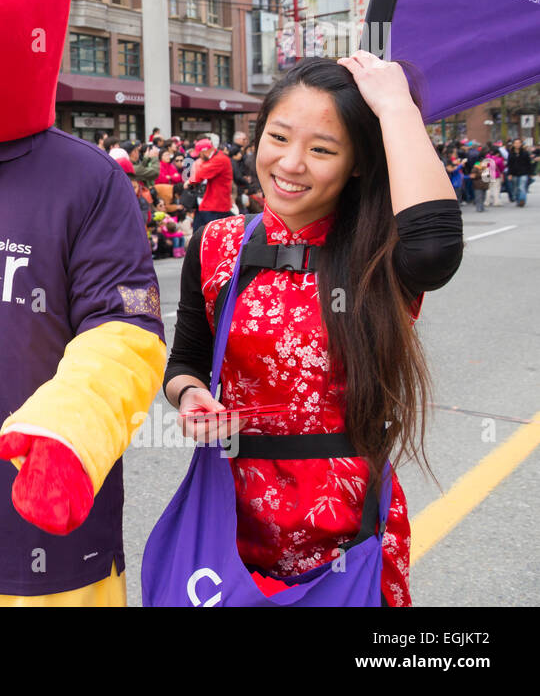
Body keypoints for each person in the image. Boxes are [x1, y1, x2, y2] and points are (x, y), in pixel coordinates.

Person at [160, 54, 462, 606]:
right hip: (230, 520)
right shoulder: (216, 244)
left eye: (322, 149)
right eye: (278, 136)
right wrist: (191, 396)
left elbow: (437, 249)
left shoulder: (380, 253)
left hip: (346, 530)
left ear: (357, 164)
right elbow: (185, 362)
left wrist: (395, 107)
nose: (291, 163)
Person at [186, 136, 234, 235]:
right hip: (209, 205)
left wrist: (189, 181)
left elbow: (199, 175)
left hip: (215, 206)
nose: (199, 157)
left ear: (205, 151)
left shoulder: (220, 160)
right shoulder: (216, 158)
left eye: (200, 154)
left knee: (209, 235)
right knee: (199, 235)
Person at [507, 138, 531, 207]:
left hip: (524, 173)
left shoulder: (525, 153)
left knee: (522, 187)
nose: (517, 144)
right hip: (514, 173)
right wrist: (509, 174)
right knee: (516, 188)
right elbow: (509, 164)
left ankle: (522, 200)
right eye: (516, 143)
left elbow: (528, 163)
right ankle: (518, 200)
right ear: (513, 144)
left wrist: (530, 173)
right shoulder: (511, 153)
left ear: (521, 144)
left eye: (519, 143)